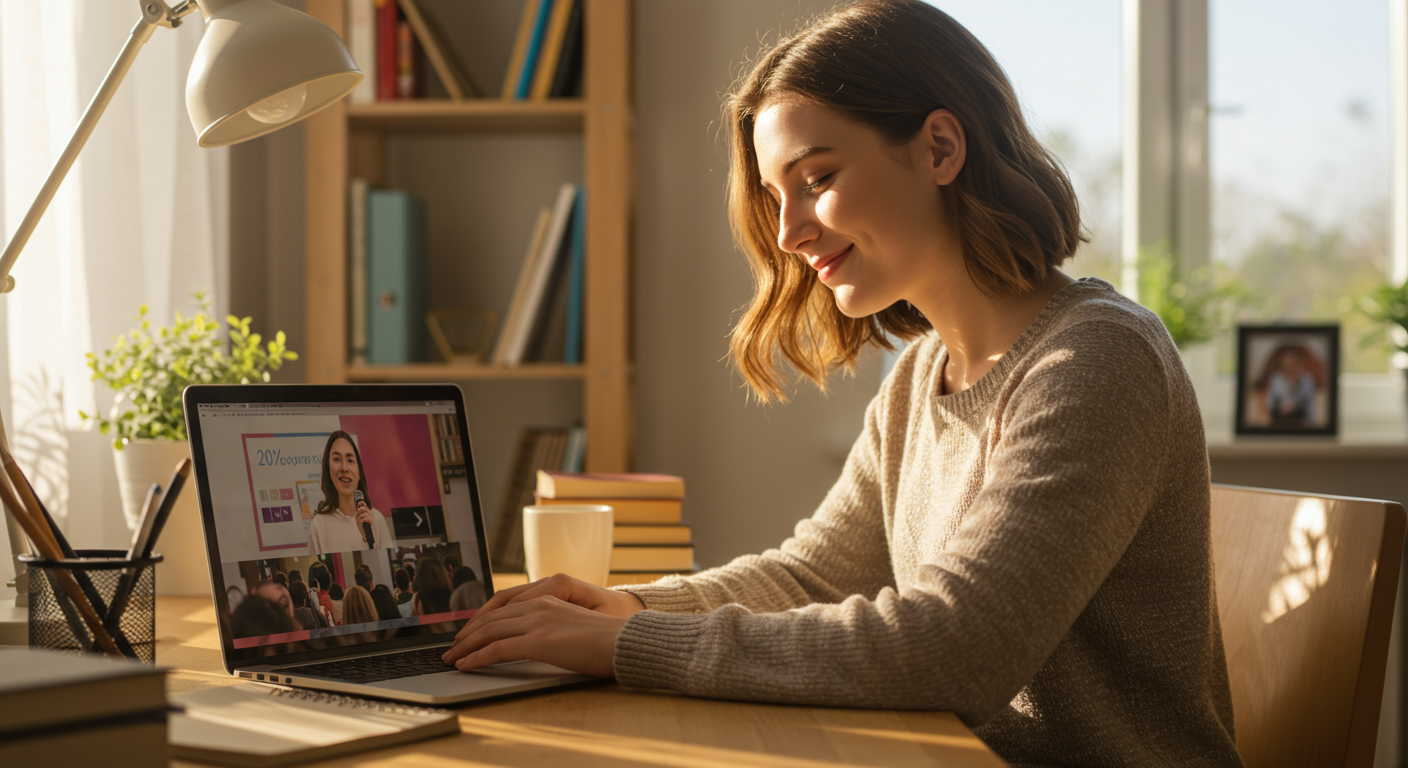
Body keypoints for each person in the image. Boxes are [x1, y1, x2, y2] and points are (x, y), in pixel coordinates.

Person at [440, 2, 1240, 764]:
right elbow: (812, 576)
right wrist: (631, 606)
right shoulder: (921, 374)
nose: (788, 233)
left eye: (815, 178)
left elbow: (955, 651)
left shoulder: (1098, 360)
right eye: (774, 197)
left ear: (939, 149)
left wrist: (626, 646)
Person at [306, 430, 396, 555]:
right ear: (328, 471)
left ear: (359, 473)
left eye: (350, 460)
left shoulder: (376, 518)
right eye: (336, 459)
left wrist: (368, 539)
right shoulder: (319, 526)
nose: (344, 468)